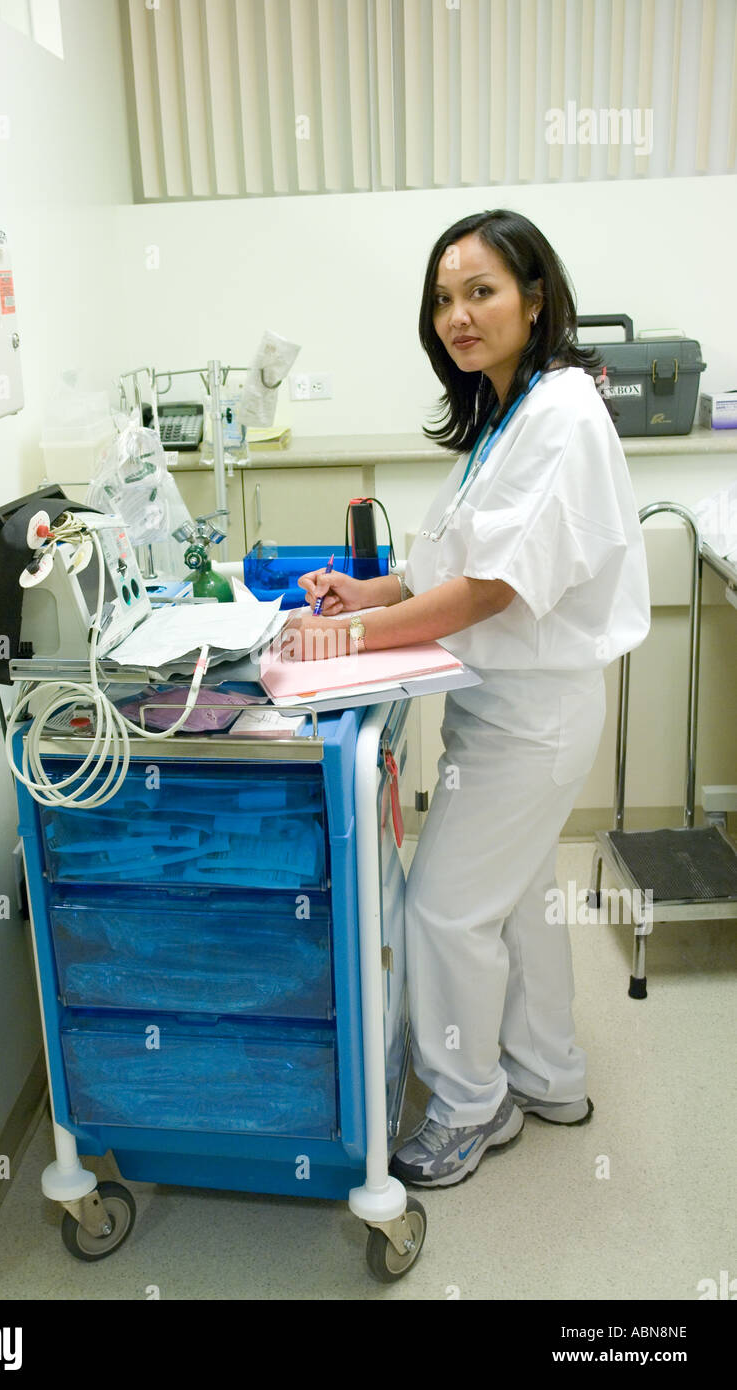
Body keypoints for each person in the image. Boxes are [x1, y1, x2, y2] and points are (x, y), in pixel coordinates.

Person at [283, 208, 651, 1188]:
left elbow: (492, 589)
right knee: (516, 898)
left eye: (479, 291)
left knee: (444, 913)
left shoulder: (562, 412)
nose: (457, 313)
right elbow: (457, 559)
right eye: (442, 298)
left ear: (533, 300)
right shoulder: (506, 410)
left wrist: (343, 638)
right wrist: (370, 595)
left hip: (532, 716)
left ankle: (466, 1105)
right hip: (504, 705)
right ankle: (547, 1073)